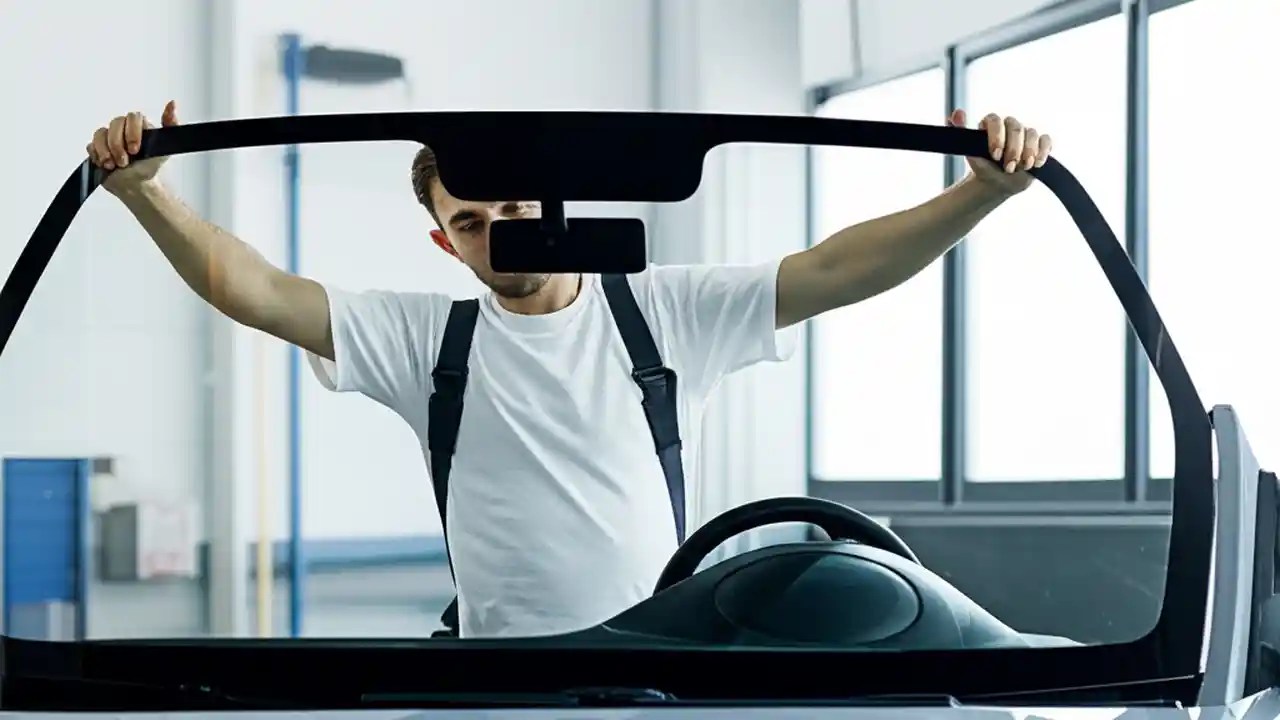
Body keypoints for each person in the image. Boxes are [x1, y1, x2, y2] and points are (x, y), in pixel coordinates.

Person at [86, 100, 1052, 639]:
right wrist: (145, 194)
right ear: (445, 243)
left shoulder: (669, 311)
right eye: (470, 221)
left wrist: (979, 194)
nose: (499, 232)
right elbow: (258, 290)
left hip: (667, 666)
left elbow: (838, 269)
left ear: (558, 202)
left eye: (512, 206)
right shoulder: (427, 342)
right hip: (495, 682)